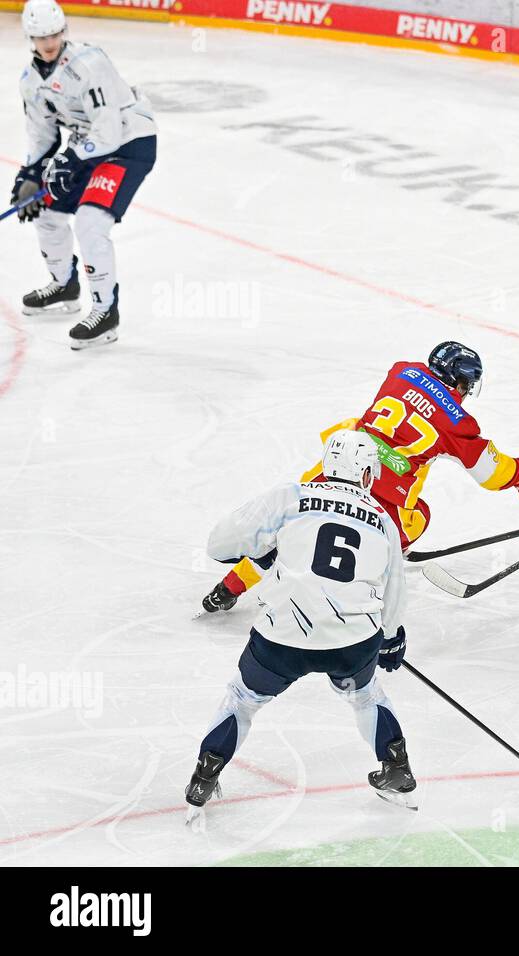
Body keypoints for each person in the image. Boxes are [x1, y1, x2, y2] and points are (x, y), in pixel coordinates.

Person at [200, 341, 519, 614]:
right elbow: (491, 474)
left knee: (293, 530)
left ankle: (228, 588)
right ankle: (368, 568)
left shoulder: (402, 372)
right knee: (419, 516)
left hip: (334, 471)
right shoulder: (457, 422)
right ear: (460, 381)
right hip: (385, 502)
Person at [184, 431, 417, 825]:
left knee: (242, 700)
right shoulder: (383, 520)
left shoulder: (289, 497)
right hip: (352, 641)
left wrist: (263, 550)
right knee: (366, 694)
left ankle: (205, 775)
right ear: (365, 474)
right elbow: (394, 589)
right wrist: (391, 639)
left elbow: (219, 545)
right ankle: (397, 768)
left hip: (282, 637)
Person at [11, 0, 157, 349]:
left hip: (127, 144)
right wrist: (29, 175)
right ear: (30, 37)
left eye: (54, 34)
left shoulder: (89, 63)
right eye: (41, 36)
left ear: (64, 31)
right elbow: (42, 136)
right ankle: (64, 285)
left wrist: (68, 161)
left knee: (90, 223)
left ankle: (106, 312)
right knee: (44, 210)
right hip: (86, 148)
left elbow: (106, 133)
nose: (49, 42)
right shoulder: (31, 82)